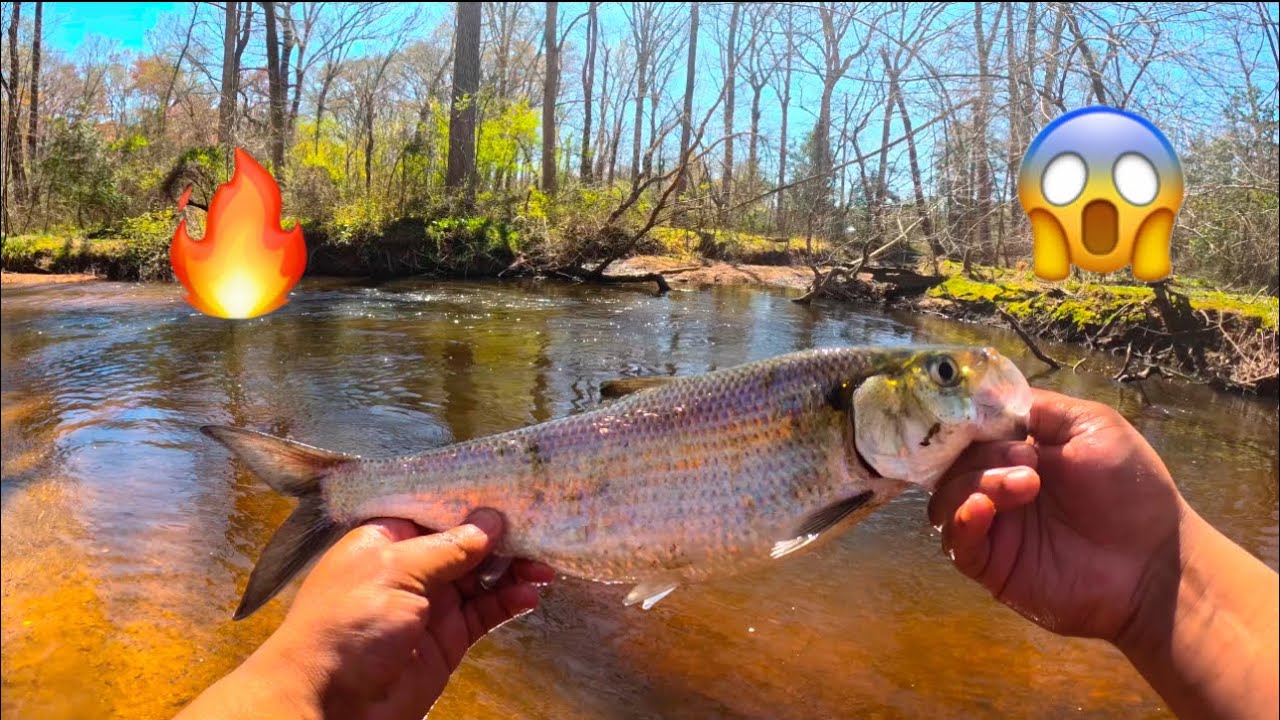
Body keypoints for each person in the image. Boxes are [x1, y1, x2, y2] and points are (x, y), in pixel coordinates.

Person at [177, 389, 1279, 719]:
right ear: (879, 405)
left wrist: (1151, 584)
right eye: (944, 391)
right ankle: (336, 491)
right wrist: (306, 689)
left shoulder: (866, 458)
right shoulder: (844, 434)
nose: (970, 413)